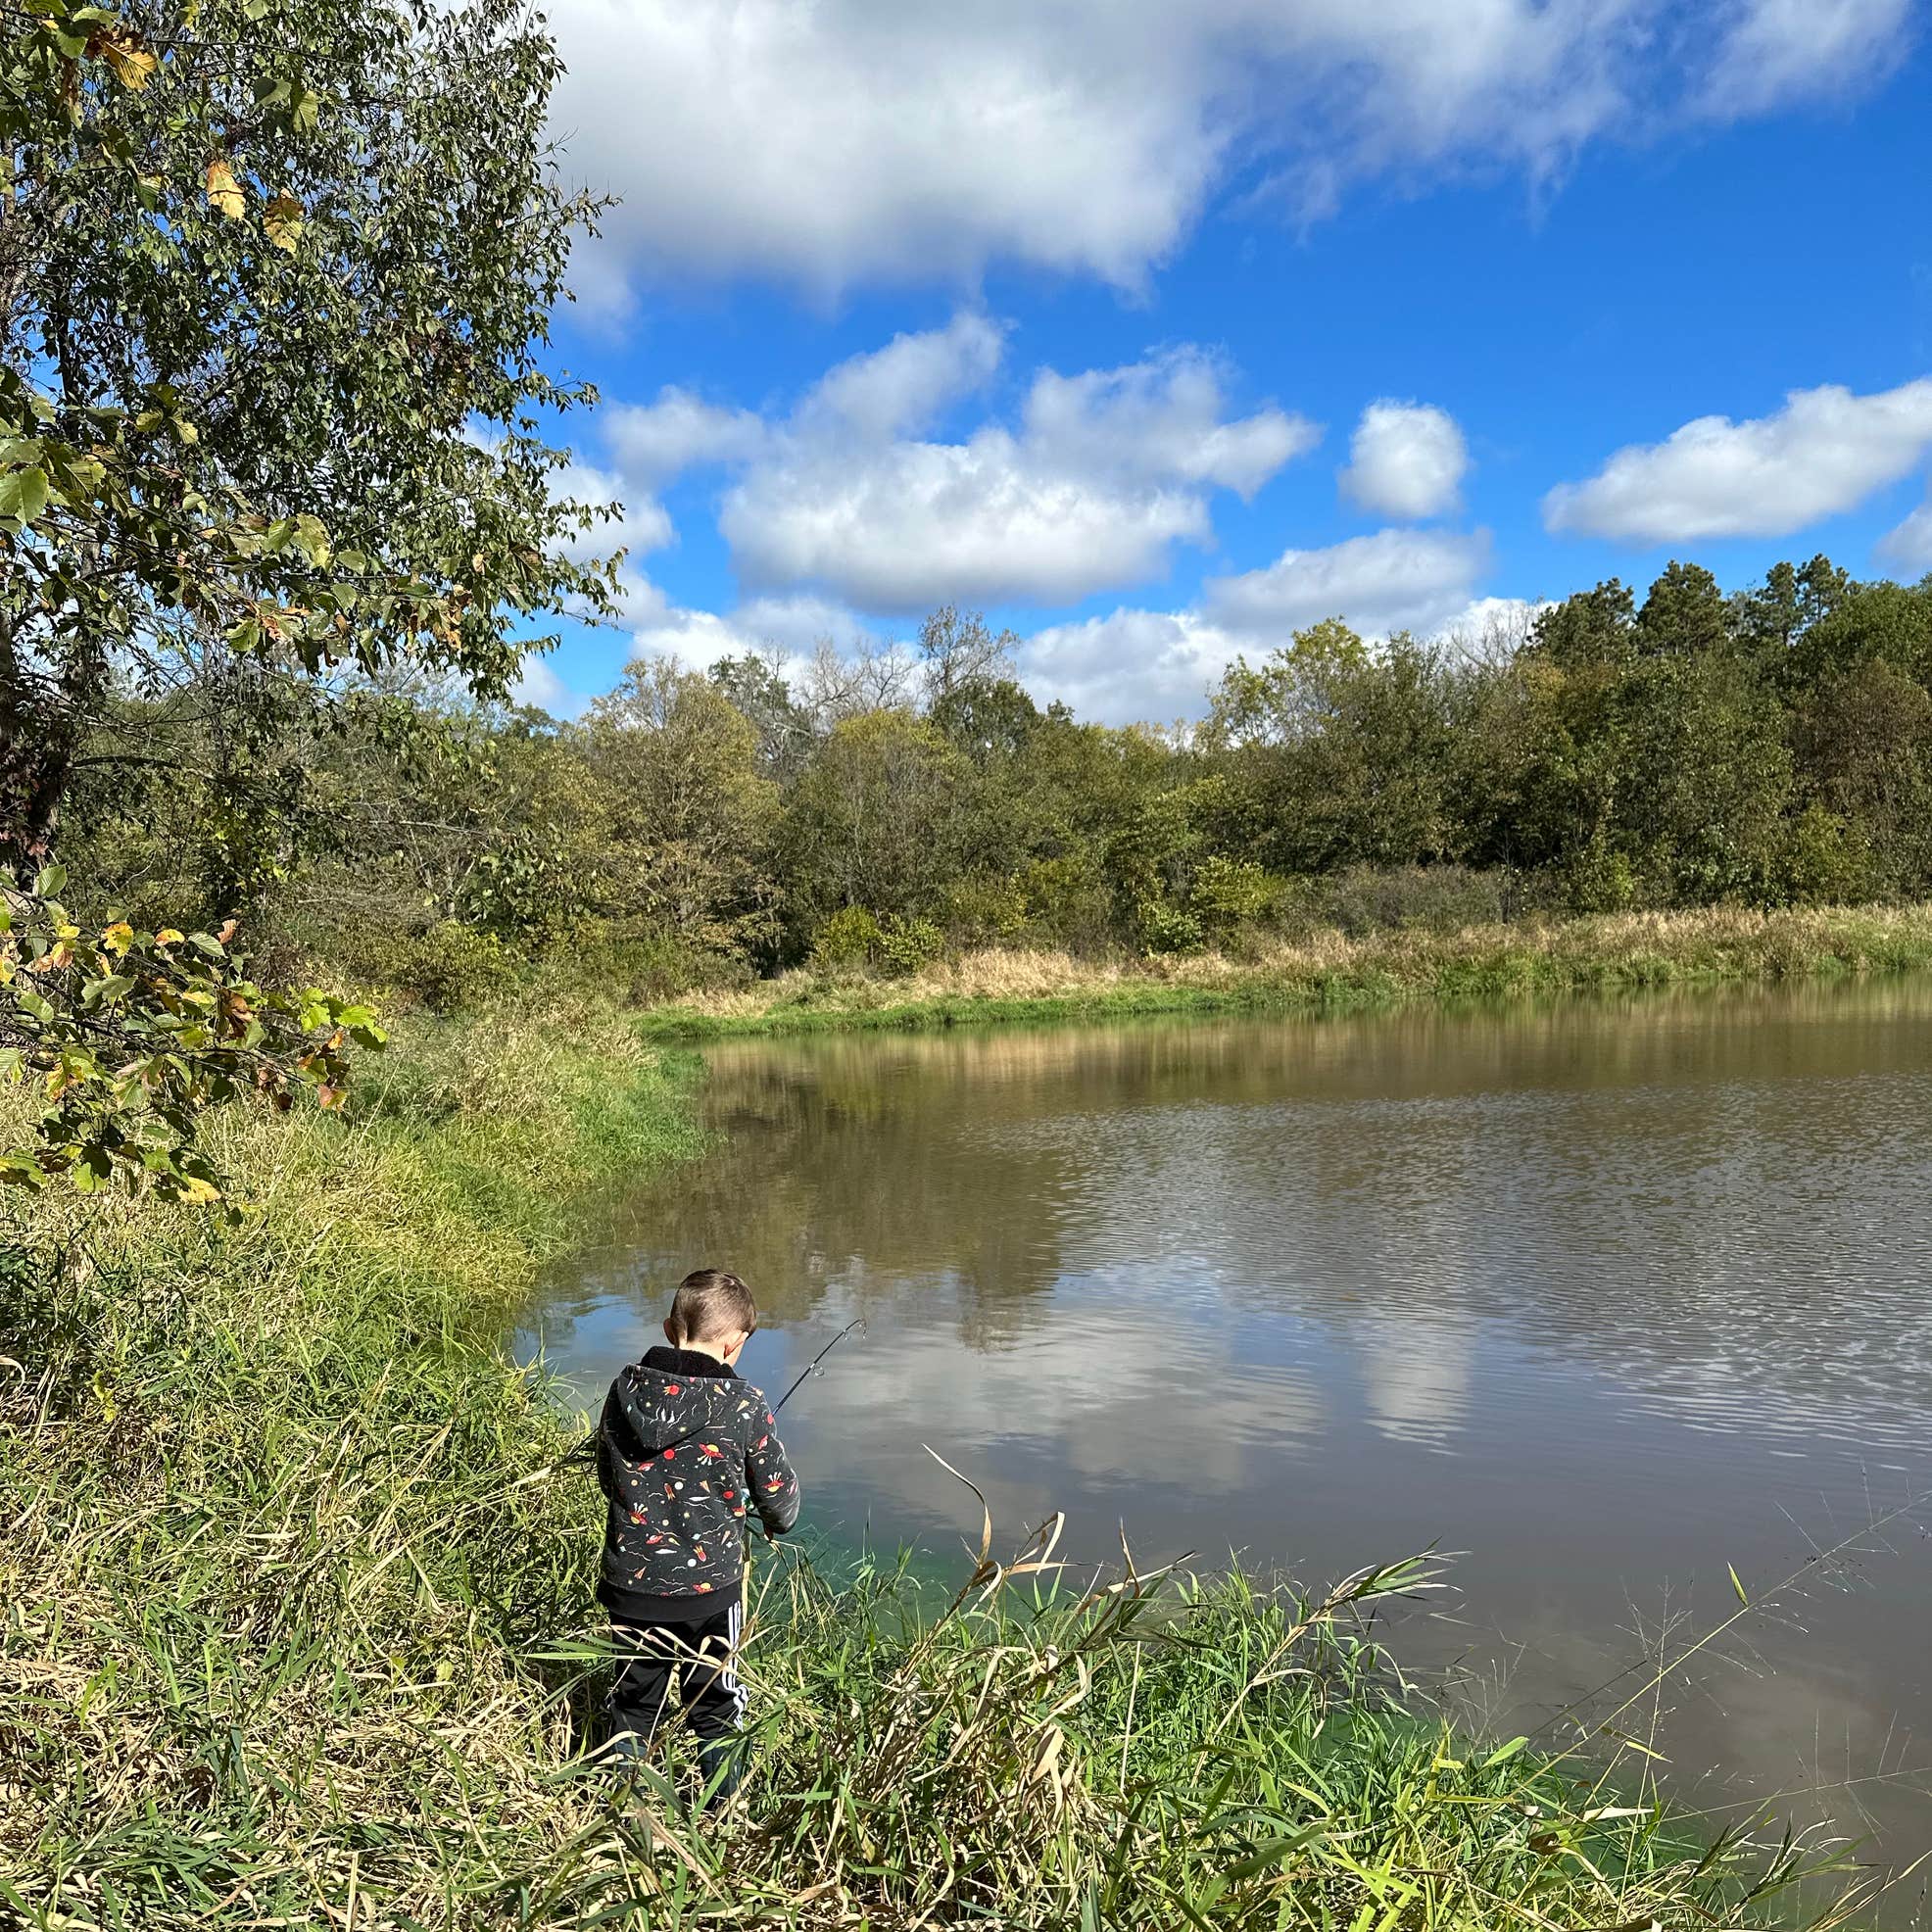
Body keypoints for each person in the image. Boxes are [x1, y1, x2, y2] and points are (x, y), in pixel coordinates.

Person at [595, 1267, 800, 1804]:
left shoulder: (623, 1391)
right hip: (710, 1593)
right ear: (735, 1343)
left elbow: (606, 1474)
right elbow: (778, 1499)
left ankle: (622, 1808)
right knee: (715, 1704)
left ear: (669, 1329)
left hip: (631, 1586)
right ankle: (721, 1813)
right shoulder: (746, 1404)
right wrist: (775, 1523)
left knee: (634, 1702)